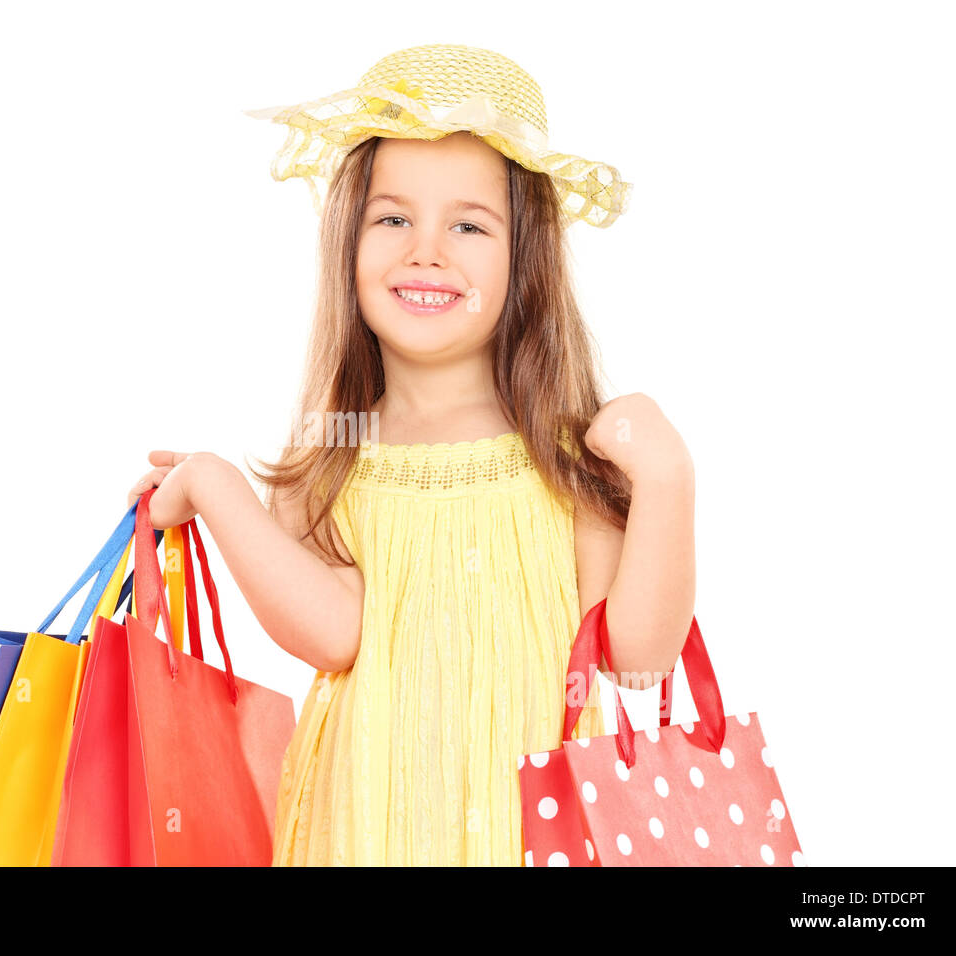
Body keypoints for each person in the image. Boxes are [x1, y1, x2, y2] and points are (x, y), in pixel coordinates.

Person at [125, 43, 696, 866]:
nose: (426, 250)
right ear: (347, 245)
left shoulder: (563, 450)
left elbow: (638, 662)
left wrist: (669, 478)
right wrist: (216, 488)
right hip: (362, 831)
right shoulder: (335, 445)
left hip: (530, 839)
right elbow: (332, 632)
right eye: (393, 218)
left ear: (524, 258)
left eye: (469, 224)